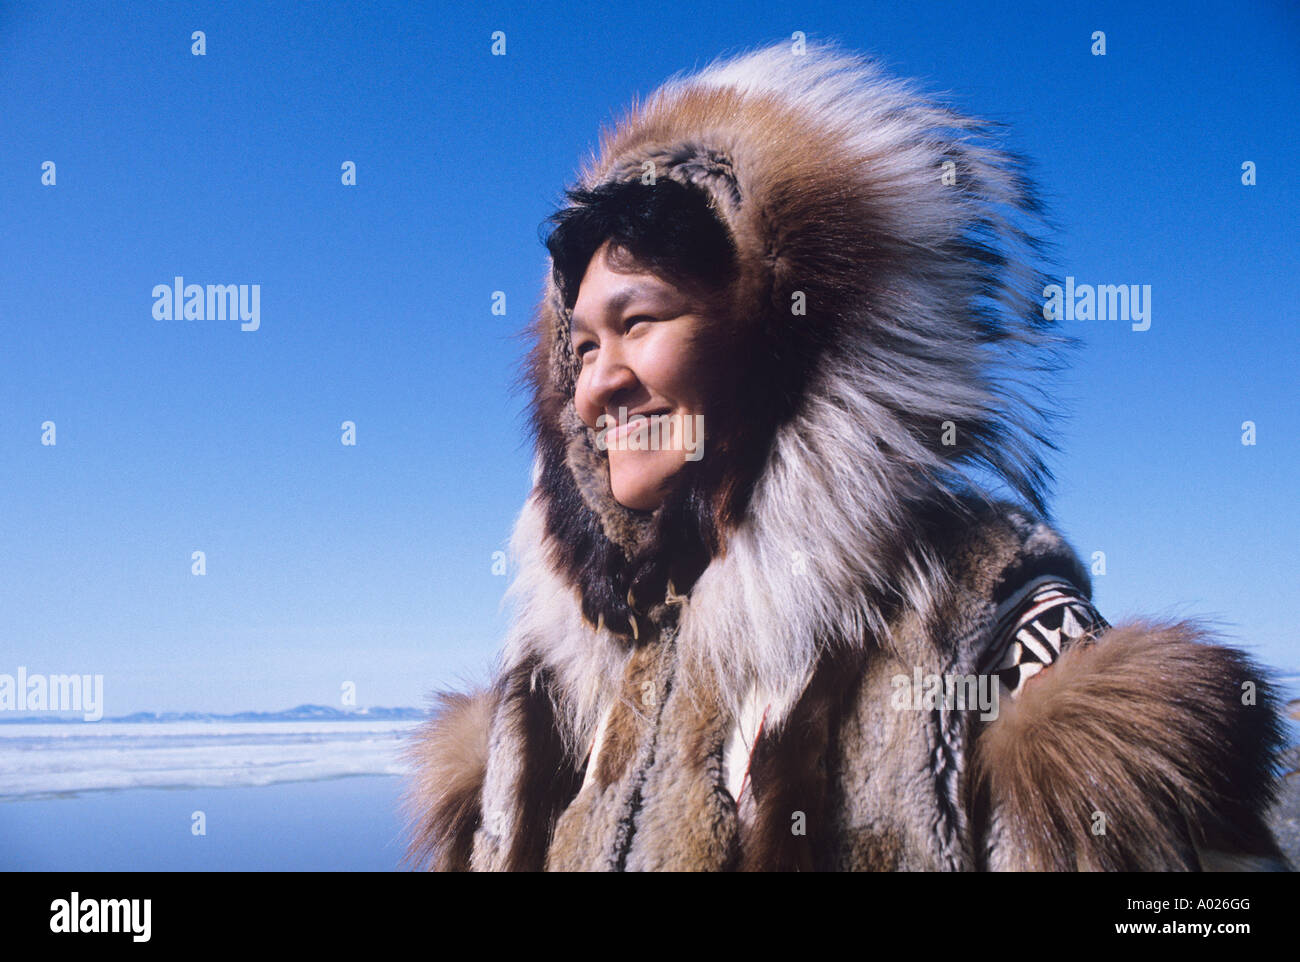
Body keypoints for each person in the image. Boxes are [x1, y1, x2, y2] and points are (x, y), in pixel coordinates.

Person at [405, 40, 1289, 871]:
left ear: (779, 335)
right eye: (583, 348)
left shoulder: (995, 640)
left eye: (638, 321)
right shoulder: (546, 701)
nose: (599, 384)